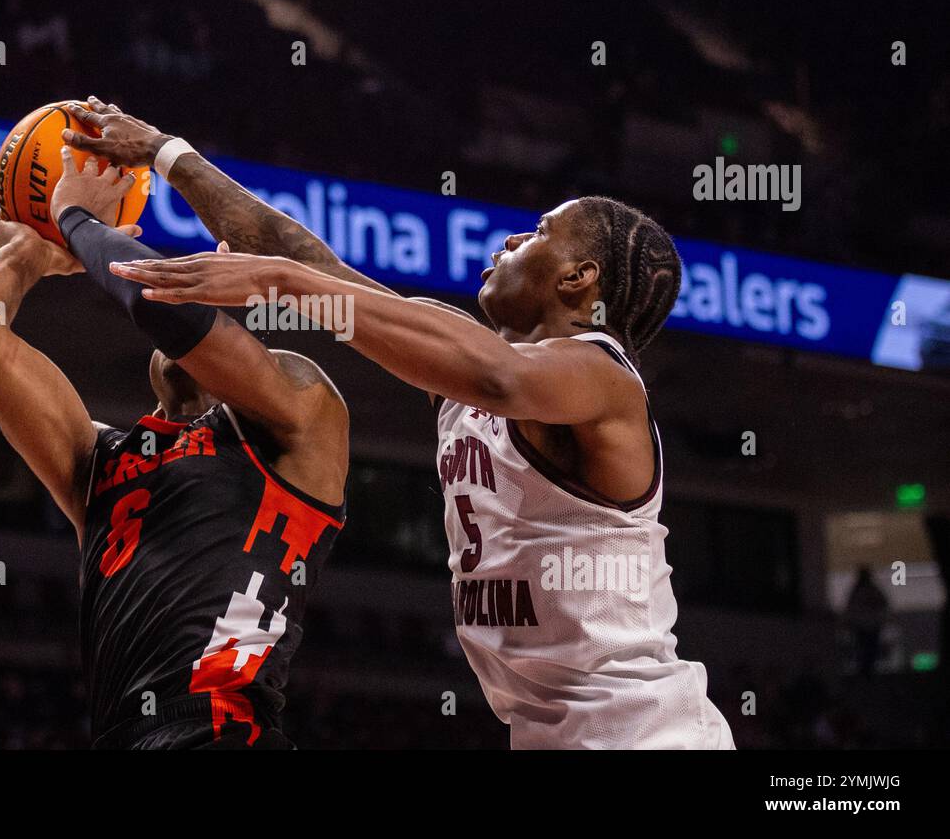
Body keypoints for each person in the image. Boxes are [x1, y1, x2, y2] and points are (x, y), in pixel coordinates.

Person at [66, 97, 734, 749]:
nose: (510, 238)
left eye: (536, 234)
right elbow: (301, 257)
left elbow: (498, 375)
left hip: (649, 732)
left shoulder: (605, 379)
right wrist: (167, 152)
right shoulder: (461, 370)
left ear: (578, 279)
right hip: (550, 732)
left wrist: (284, 284)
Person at [0, 147, 349, 749]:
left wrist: (78, 222)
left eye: (203, 272)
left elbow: (172, 316)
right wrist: (28, 252)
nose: (189, 275)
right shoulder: (98, 462)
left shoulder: (301, 410)